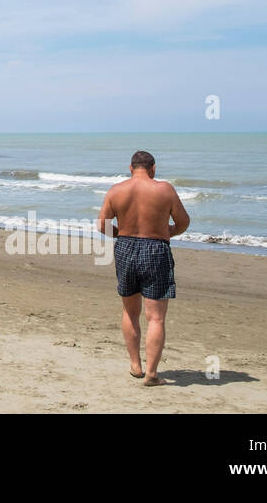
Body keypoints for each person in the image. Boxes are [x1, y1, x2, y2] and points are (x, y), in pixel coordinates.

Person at [96, 150, 190, 386]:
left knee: (130, 311)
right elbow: (183, 222)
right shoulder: (164, 189)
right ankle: (151, 374)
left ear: (130, 168)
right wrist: (167, 232)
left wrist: (123, 235)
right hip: (156, 248)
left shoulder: (116, 191)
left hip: (125, 248)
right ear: (153, 168)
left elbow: (102, 226)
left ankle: (135, 365)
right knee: (156, 317)